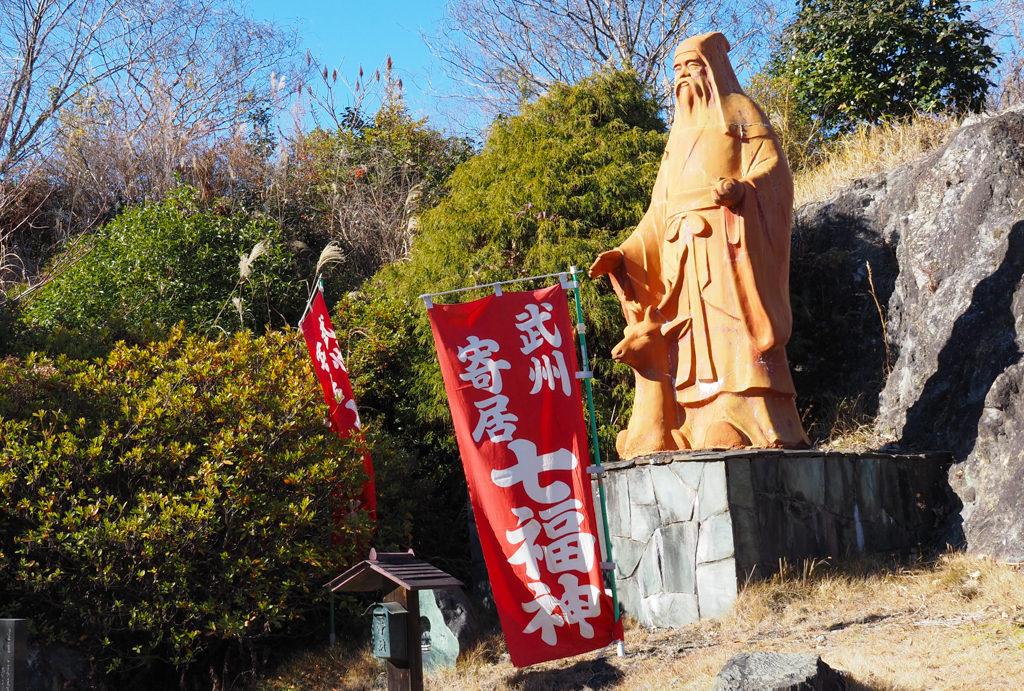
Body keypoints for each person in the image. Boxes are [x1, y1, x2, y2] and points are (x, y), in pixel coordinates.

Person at [590, 31, 810, 452]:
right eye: (676, 70)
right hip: (682, 253)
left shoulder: (740, 111)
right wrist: (626, 252)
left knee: (736, 331)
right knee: (690, 343)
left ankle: (751, 420)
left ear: (713, 69)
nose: (683, 78)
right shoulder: (676, 137)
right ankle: (698, 424)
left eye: (692, 67)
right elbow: (659, 210)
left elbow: (774, 172)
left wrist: (744, 191)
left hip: (728, 240)